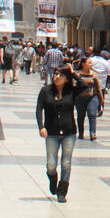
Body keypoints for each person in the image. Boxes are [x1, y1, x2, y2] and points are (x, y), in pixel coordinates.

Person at [36, 64, 84, 201]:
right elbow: (39, 109)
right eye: (55, 74)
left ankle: (62, 191)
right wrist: (41, 126)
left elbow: (84, 86)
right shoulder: (46, 91)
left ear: (66, 78)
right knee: (51, 163)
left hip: (69, 132)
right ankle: (52, 177)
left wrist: (72, 72)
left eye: (60, 75)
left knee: (66, 162)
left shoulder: (71, 91)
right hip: (51, 132)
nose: (56, 77)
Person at [74, 56, 104, 140]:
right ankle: (81, 133)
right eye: (89, 63)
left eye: (91, 63)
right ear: (83, 64)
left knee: (92, 113)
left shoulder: (94, 75)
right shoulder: (77, 74)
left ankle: (92, 132)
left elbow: (98, 88)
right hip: (80, 98)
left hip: (92, 97)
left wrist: (101, 100)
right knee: (81, 115)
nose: (91, 64)